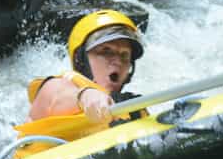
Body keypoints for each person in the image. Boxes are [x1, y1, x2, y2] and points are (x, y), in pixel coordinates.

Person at [24, 9, 146, 142]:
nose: (118, 61)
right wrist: (85, 96)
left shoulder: (133, 108)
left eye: (124, 55)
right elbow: (58, 97)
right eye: (106, 51)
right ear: (81, 60)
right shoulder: (54, 86)